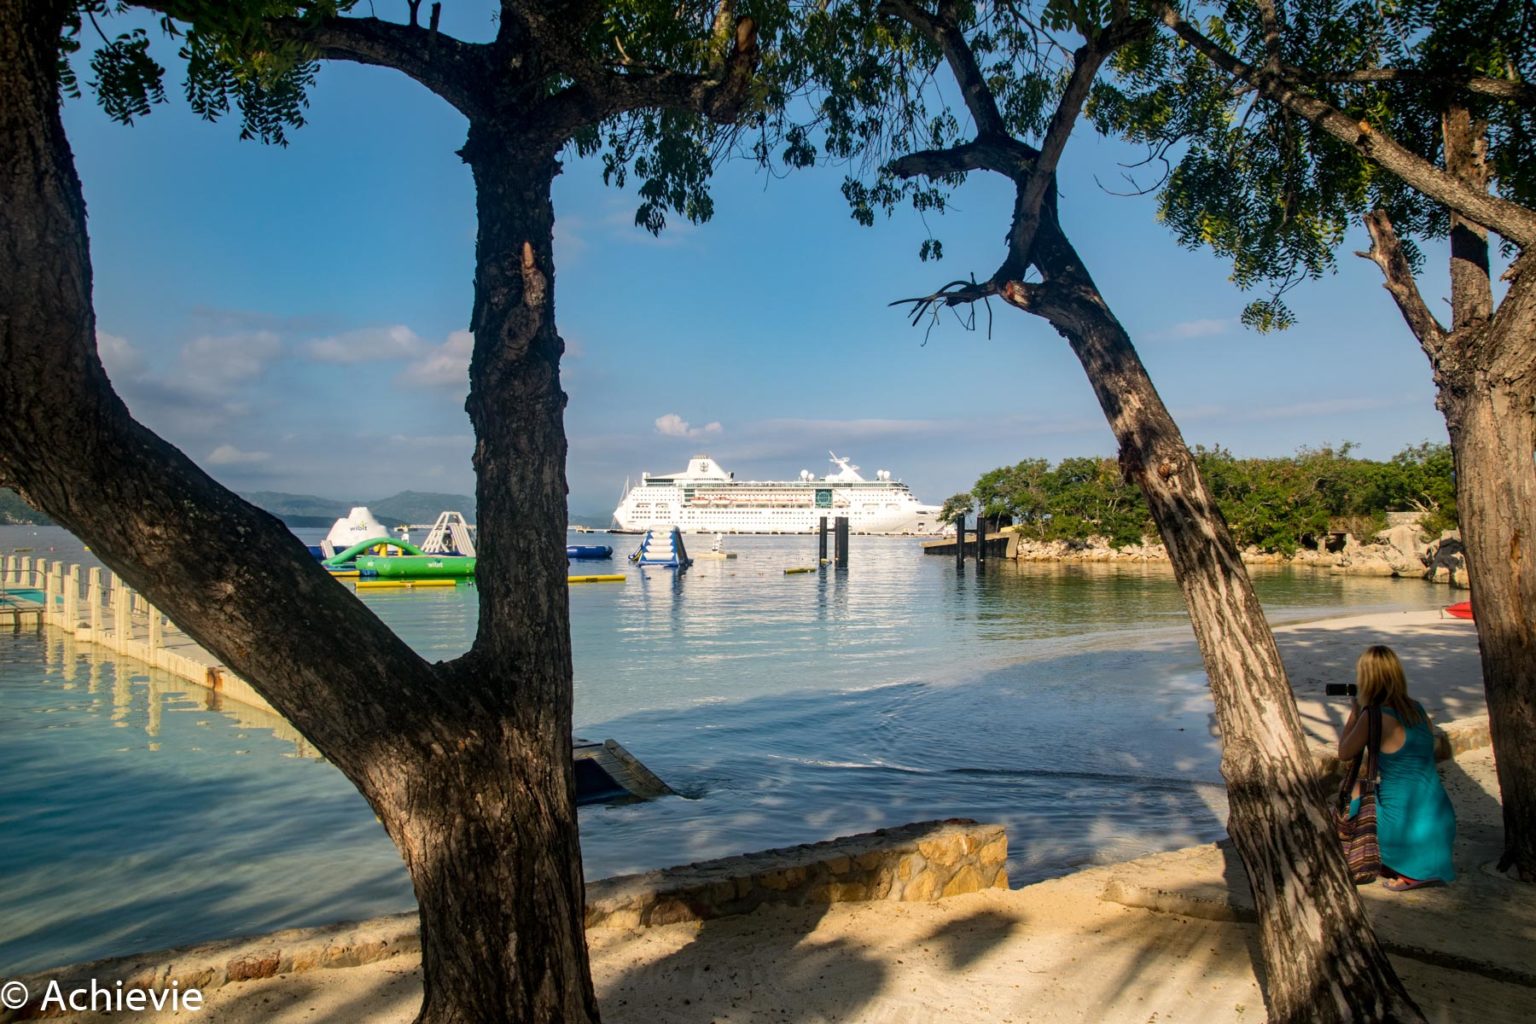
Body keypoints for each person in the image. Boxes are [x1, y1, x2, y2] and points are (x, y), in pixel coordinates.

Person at [1338, 644, 1457, 890]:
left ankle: (1405, 867)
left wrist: (1355, 711)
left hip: (1405, 821)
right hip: (1440, 814)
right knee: (1364, 789)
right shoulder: (1417, 708)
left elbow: (1344, 753)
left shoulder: (1374, 715)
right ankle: (1418, 863)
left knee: (1349, 793)